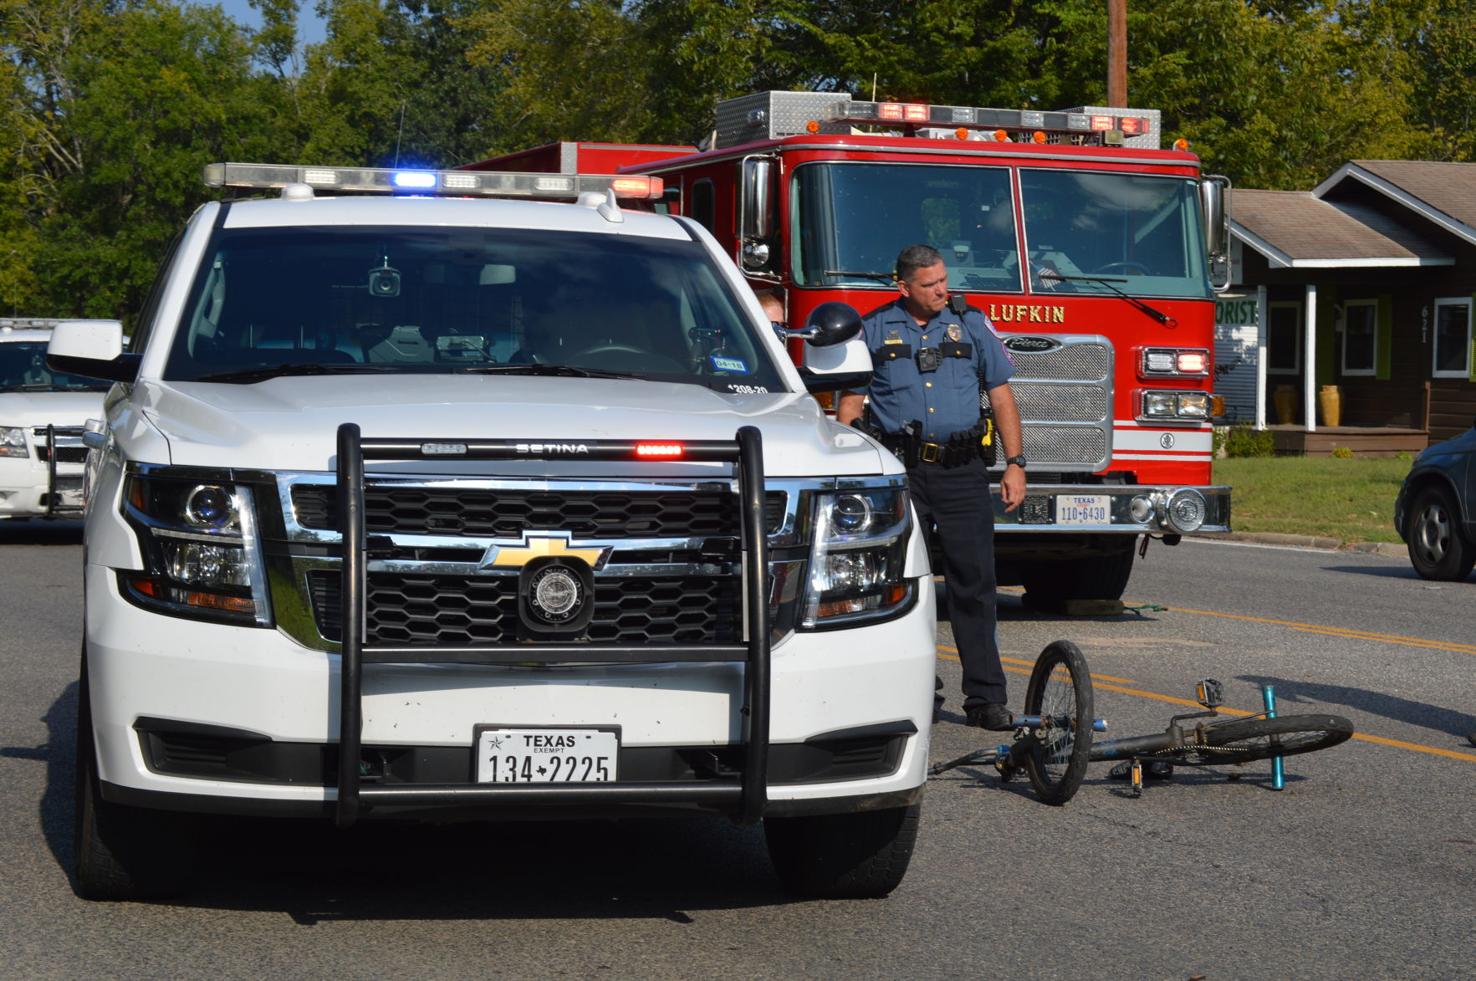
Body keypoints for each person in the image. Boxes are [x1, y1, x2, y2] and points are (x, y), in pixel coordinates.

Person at [837, 244, 1026, 731]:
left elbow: (1001, 395)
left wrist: (1016, 464)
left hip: (962, 472)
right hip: (900, 475)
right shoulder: (872, 329)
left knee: (975, 585)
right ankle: (918, 691)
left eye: (943, 279)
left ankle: (986, 698)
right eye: (929, 284)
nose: (942, 289)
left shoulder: (972, 324)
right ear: (903, 287)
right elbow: (851, 408)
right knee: (902, 585)